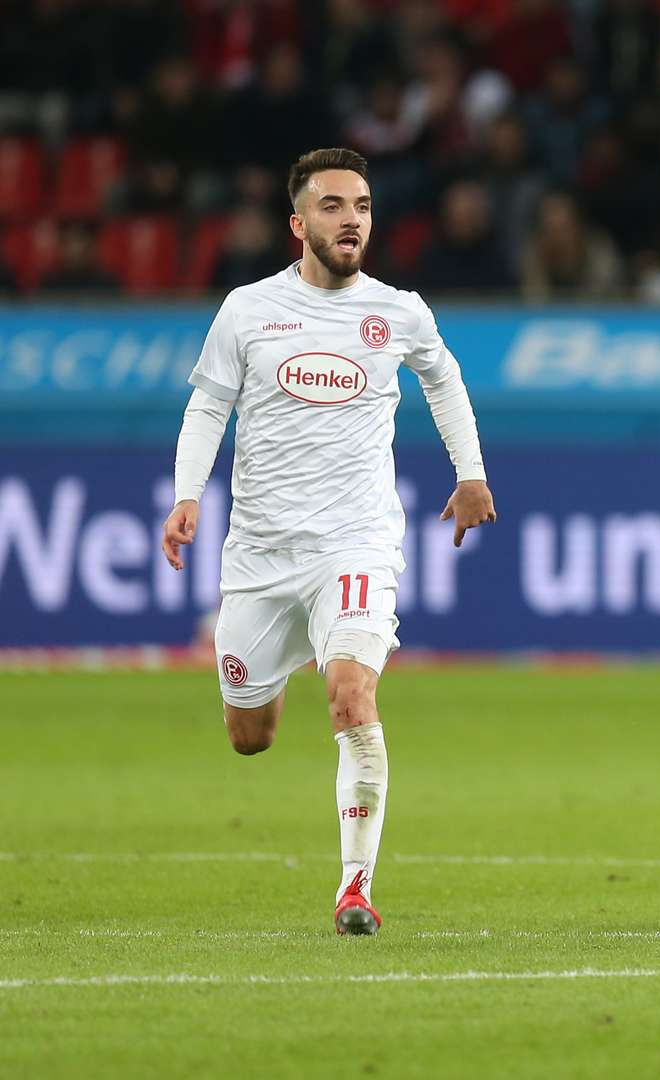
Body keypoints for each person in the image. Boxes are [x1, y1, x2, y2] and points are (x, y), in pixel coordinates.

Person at [159, 148, 496, 935]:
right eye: (335, 206)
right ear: (298, 222)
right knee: (251, 735)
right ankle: (293, 653)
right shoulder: (248, 310)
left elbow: (442, 379)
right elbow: (208, 407)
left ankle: (355, 888)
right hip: (261, 552)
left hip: (355, 542)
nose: (352, 220)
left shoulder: (399, 311)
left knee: (352, 696)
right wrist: (186, 495)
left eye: (364, 206)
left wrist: (471, 472)